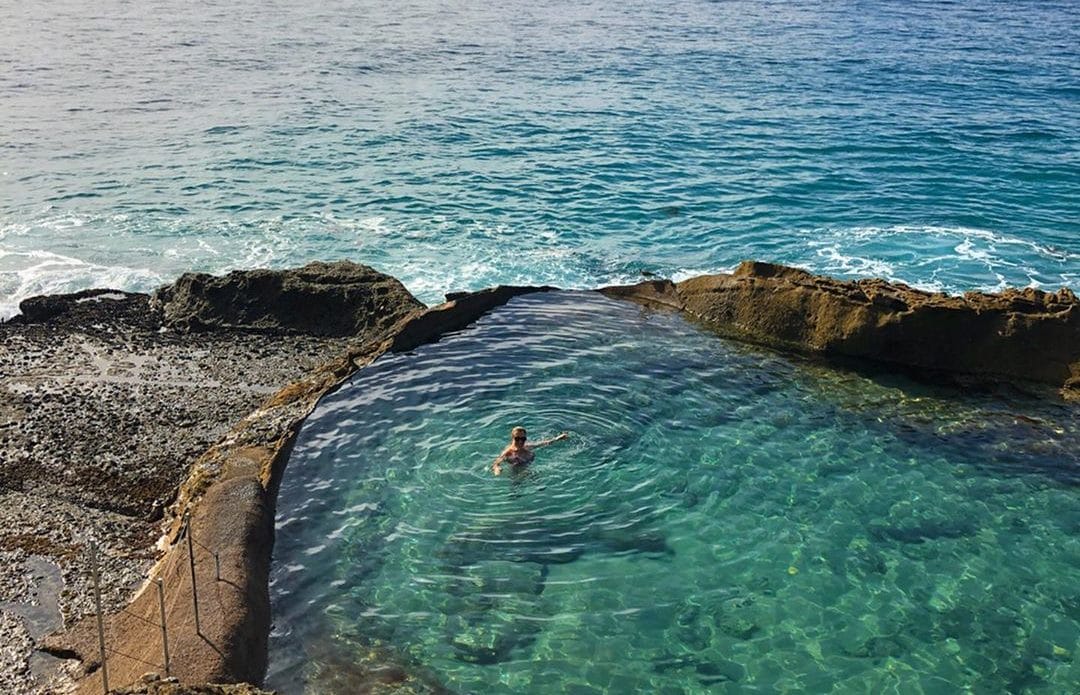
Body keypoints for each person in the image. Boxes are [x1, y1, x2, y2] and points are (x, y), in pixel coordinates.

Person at [492, 426, 569, 475]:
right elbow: (496, 463)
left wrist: (557, 439)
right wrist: (497, 469)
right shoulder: (508, 452)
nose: (520, 441)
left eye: (523, 439)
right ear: (512, 438)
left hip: (528, 468)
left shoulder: (527, 447)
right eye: (517, 439)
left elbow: (544, 443)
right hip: (517, 471)